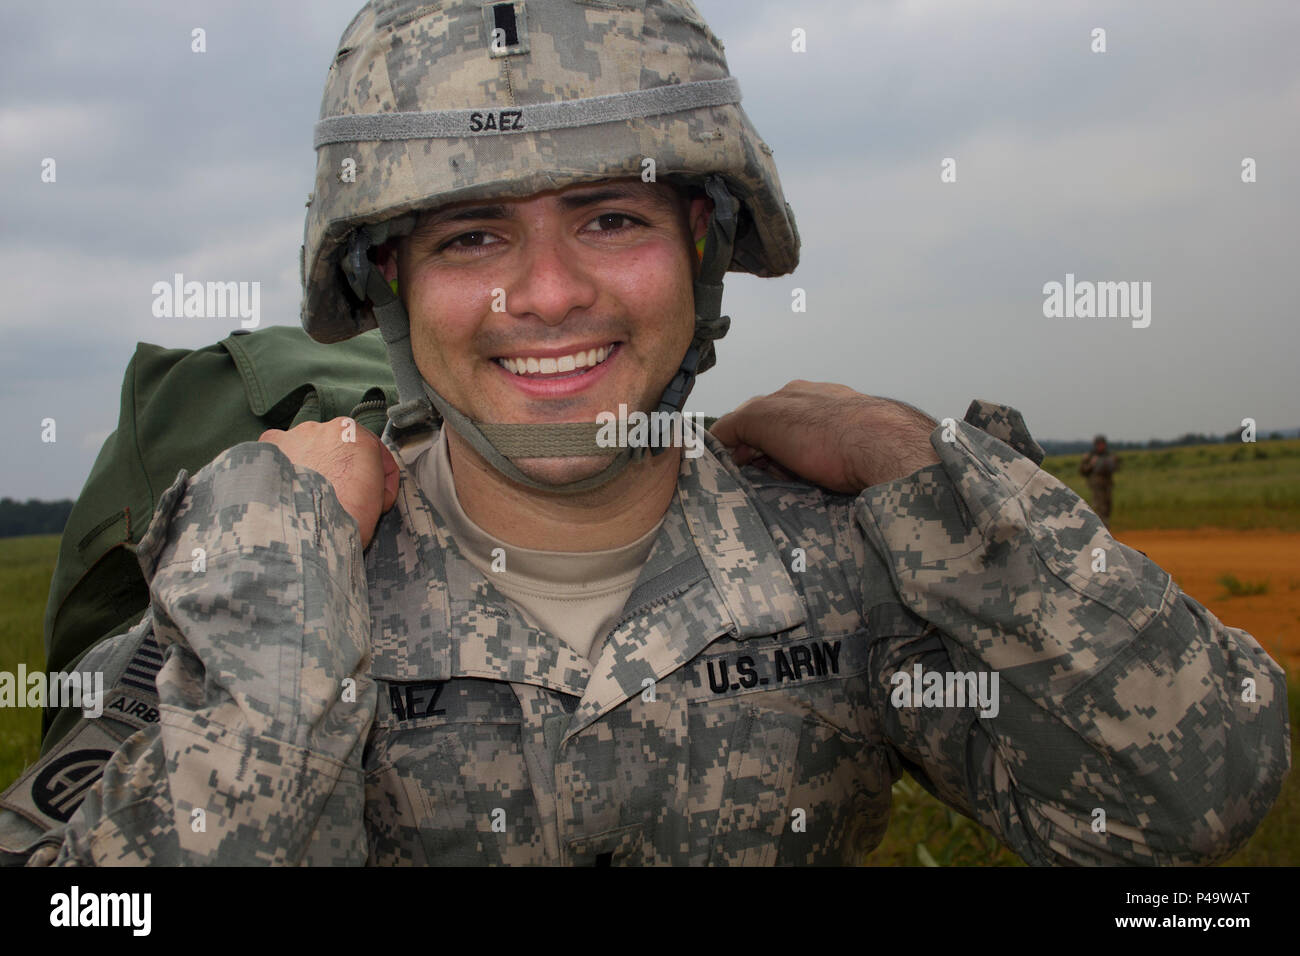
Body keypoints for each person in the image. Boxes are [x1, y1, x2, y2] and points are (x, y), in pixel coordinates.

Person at [0, 0, 1288, 867]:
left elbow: (1195, 792)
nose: (548, 292)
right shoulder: (254, 591)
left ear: (701, 253)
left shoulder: (854, 561)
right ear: (387, 289)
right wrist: (274, 644)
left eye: (610, 216)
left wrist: (913, 460)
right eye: (470, 236)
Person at [1080, 435, 1120, 527]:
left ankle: (1106, 526)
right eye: (1099, 444)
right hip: (1096, 484)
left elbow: (1116, 468)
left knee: (1107, 506)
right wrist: (1091, 464)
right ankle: (1102, 528)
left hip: (1107, 483)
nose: (1101, 446)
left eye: (1102, 444)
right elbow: (1083, 471)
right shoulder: (1090, 456)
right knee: (1099, 506)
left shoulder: (1109, 455)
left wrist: (1113, 463)